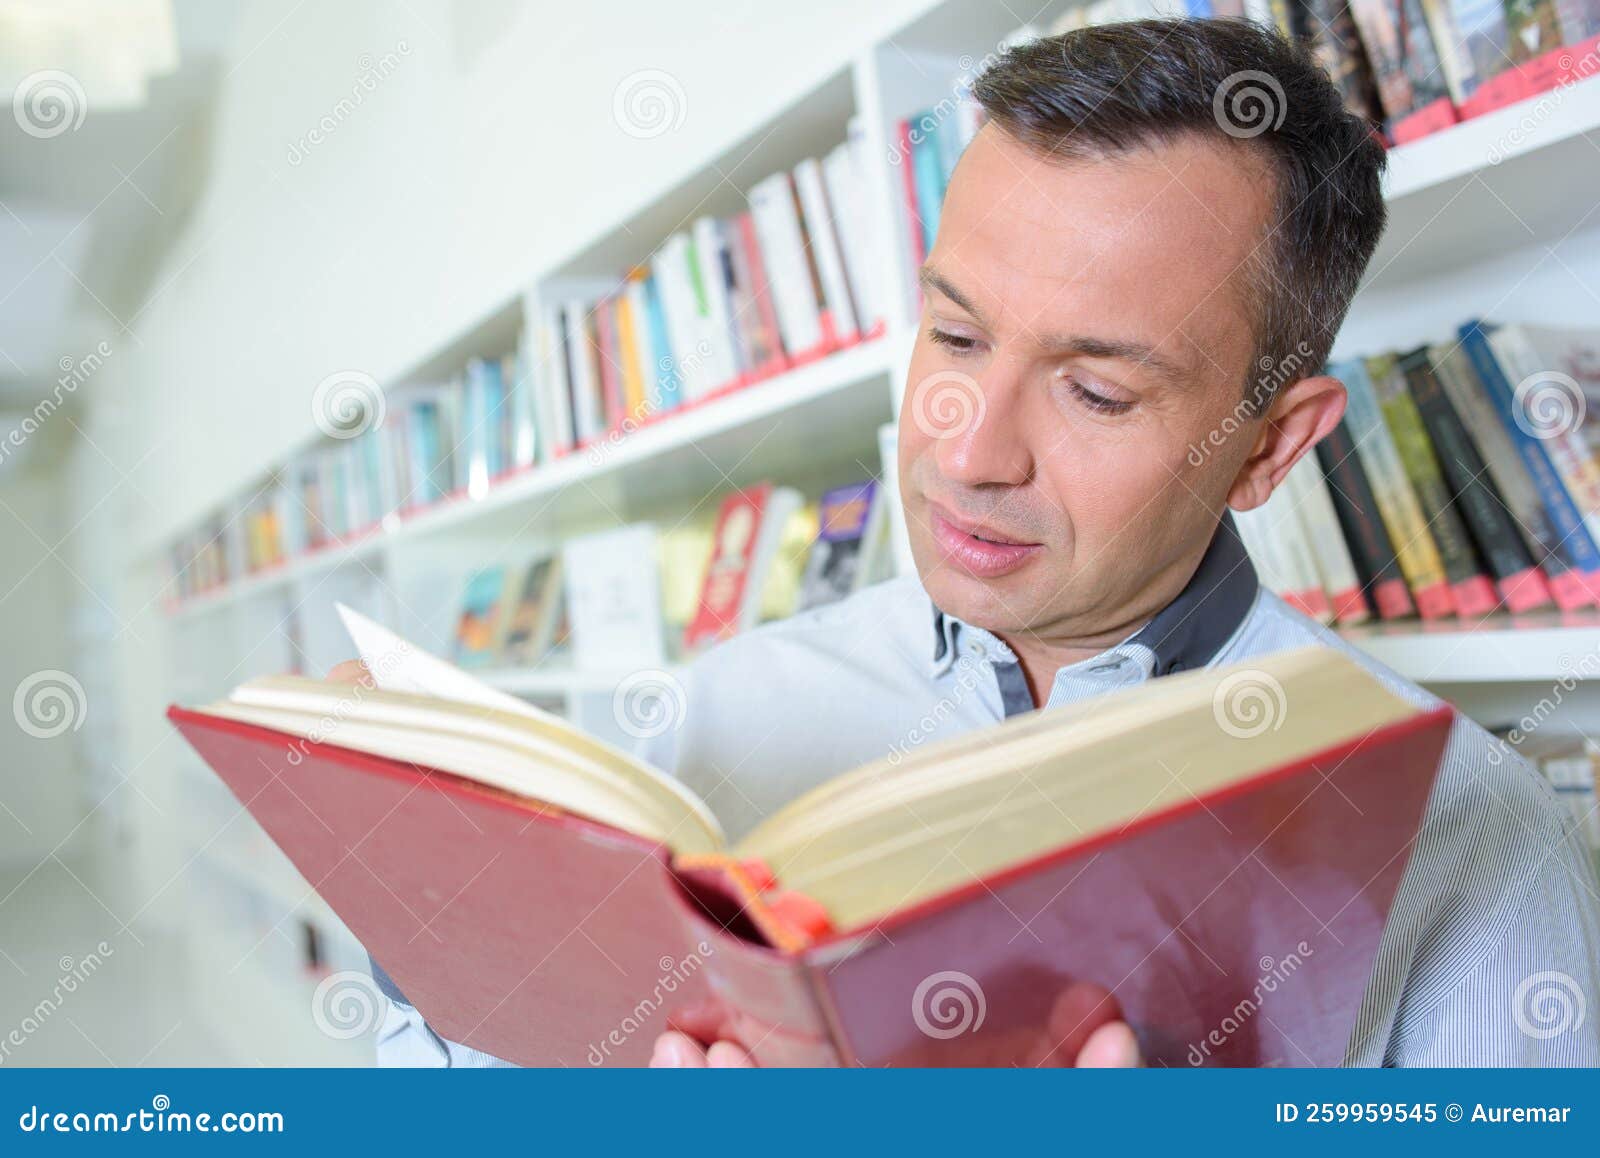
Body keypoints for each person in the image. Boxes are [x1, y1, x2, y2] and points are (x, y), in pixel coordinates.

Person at [346, 19, 1600, 1067]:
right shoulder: (715, 715)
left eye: (1095, 393)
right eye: (953, 337)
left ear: (1268, 447)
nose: (967, 452)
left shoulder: (1468, 827)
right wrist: (426, 932)